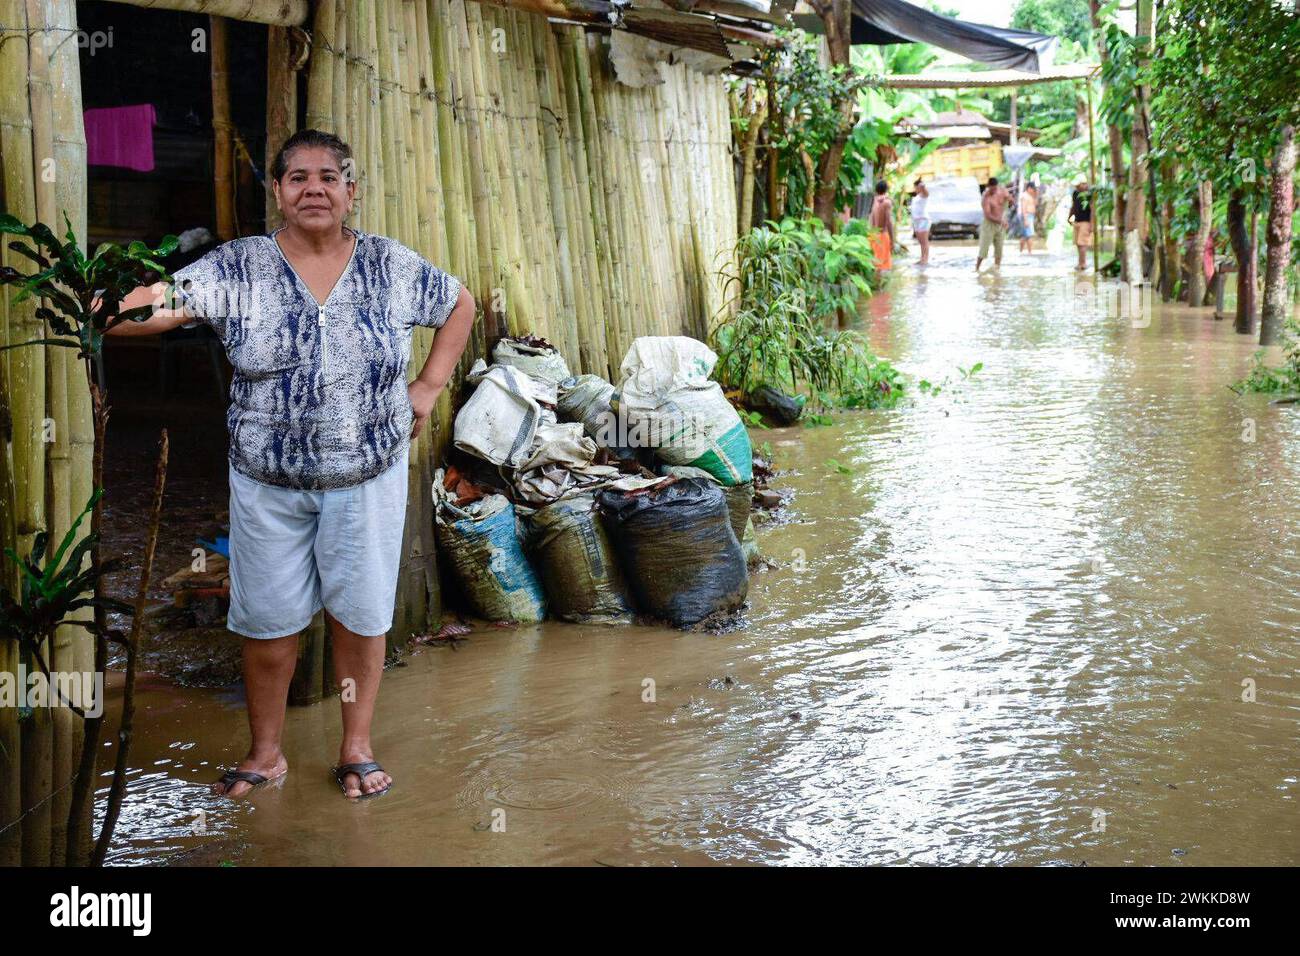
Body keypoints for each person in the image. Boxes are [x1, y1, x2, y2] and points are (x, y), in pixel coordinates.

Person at [108, 129, 476, 800]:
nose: (314, 188)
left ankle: (357, 748)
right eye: (298, 177)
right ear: (277, 191)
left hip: (369, 476)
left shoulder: (389, 264)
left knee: (360, 619)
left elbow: (459, 303)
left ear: (350, 193)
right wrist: (95, 303)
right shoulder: (240, 265)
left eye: (328, 177)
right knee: (268, 624)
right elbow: (160, 309)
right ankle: (266, 753)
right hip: (266, 484)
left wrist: (428, 384)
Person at [975, 176, 1010, 272]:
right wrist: (1001, 221)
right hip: (989, 225)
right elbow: (988, 215)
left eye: (995, 188)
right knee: (983, 249)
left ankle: (997, 269)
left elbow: (1009, 201)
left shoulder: (1002, 191)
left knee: (999, 250)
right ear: (988, 187)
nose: (994, 190)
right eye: (992, 189)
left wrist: (1009, 199)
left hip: (1000, 225)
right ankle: (977, 269)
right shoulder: (986, 198)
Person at [869, 180, 895, 272]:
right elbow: (889, 222)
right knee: (880, 266)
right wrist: (893, 239)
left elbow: (871, 218)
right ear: (886, 189)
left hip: (872, 235)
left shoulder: (875, 200)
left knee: (874, 264)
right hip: (882, 236)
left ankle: (876, 285)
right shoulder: (887, 202)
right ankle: (878, 286)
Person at [1068, 178, 1093, 271]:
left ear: (1085, 184)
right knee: (1078, 244)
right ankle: (1080, 263)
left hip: (1085, 221)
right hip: (1077, 221)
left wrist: (1092, 224)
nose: (1077, 187)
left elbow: (1093, 210)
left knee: (1082, 244)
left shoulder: (1090, 194)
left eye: (1080, 185)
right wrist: (1070, 217)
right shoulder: (1075, 193)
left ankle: (1083, 263)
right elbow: (1073, 206)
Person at [910, 178, 931, 266]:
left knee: (924, 241)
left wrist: (922, 186)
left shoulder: (923, 195)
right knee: (921, 242)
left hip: (923, 220)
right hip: (916, 221)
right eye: (915, 187)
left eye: (916, 187)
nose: (915, 189)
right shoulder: (916, 197)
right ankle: (922, 258)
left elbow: (926, 193)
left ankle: (925, 259)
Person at [1018, 182, 1038, 254]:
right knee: (1029, 235)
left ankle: (1021, 251)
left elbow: (1035, 204)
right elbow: (1023, 208)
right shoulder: (1025, 196)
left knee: (1025, 235)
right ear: (1029, 188)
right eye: (1033, 189)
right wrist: (1026, 219)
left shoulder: (1030, 196)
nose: (1033, 190)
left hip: (1030, 216)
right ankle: (1030, 252)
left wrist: (1035, 195)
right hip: (1026, 216)